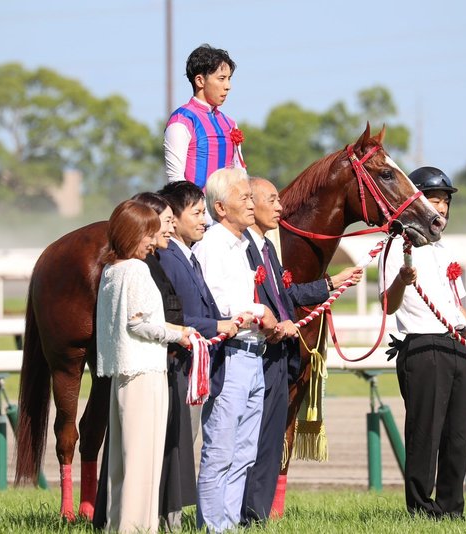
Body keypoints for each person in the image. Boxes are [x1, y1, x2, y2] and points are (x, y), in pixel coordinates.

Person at [379, 166, 466, 520]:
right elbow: (387, 305)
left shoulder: (443, 250)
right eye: (433, 200)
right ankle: (421, 510)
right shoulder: (397, 245)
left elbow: (459, 312)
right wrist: (402, 281)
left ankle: (452, 509)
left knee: (458, 436)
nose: (441, 208)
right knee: (426, 433)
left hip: (457, 348)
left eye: (445, 202)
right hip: (422, 346)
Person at [240, 177, 363, 524]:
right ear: (251, 205)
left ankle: (258, 516)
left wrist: (331, 284)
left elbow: (286, 297)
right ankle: (239, 514)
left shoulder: (268, 249)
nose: (283, 207)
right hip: (255, 352)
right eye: (273, 200)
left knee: (269, 436)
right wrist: (275, 324)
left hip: (277, 353)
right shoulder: (245, 250)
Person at [95, 200, 197, 534]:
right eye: (148, 235)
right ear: (132, 234)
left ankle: (117, 524)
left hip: (122, 373)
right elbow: (139, 323)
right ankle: (138, 528)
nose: (154, 242)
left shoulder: (112, 270)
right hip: (145, 372)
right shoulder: (137, 270)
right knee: (143, 462)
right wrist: (178, 335)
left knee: (122, 464)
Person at [192, 167, 278, 532]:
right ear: (221, 207)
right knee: (221, 451)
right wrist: (261, 312)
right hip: (230, 355)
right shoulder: (212, 247)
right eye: (243, 198)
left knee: (244, 452)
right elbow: (219, 305)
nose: (250, 203)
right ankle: (212, 525)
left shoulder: (243, 246)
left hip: (253, 354)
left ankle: (227, 523)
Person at [156, 180, 248, 444]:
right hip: (180, 368)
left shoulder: (187, 256)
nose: (205, 221)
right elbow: (167, 318)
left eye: (203, 213)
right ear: (172, 218)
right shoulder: (168, 258)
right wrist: (216, 326)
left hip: (196, 368)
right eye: (196, 213)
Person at [164, 44, 245, 188]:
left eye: (229, 78)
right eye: (221, 78)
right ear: (200, 81)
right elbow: (176, 180)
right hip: (195, 207)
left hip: (228, 209)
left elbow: (240, 173)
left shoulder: (231, 124)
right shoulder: (181, 120)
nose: (228, 86)